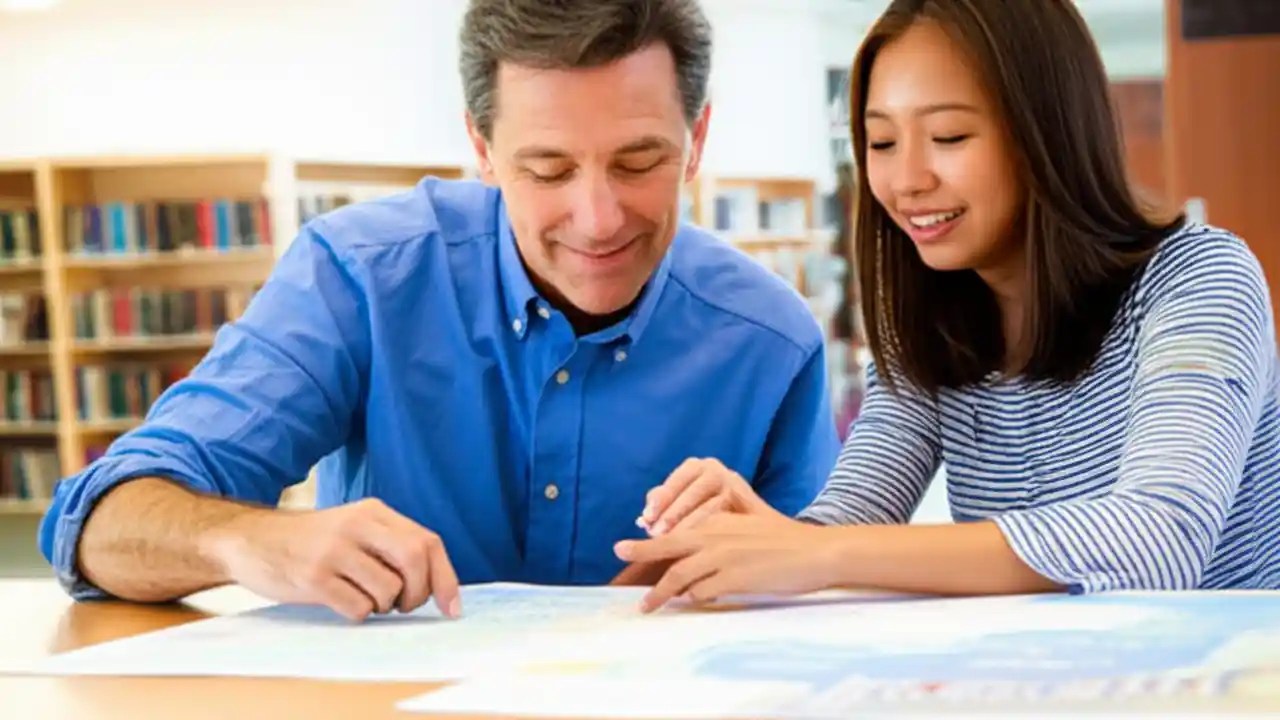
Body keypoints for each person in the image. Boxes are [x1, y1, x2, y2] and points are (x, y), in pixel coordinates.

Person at [38, 0, 840, 622]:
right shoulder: (359, 279)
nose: (598, 218)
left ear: (696, 139)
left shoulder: (772, 341)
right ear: (481, 147)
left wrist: (776, 557)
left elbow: (823, 599)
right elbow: (98, 522)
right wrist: (253, 540)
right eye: (547, 169)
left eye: (638, 162)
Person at [618, 0, 1280, 612]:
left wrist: (812, 552)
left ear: (1046, 132)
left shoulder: (1200, 277)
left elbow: (1159, 536)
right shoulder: (932, 323)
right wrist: (753, 538)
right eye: (880, 143)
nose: (906, 181)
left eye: (950, 137)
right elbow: (853, 519)